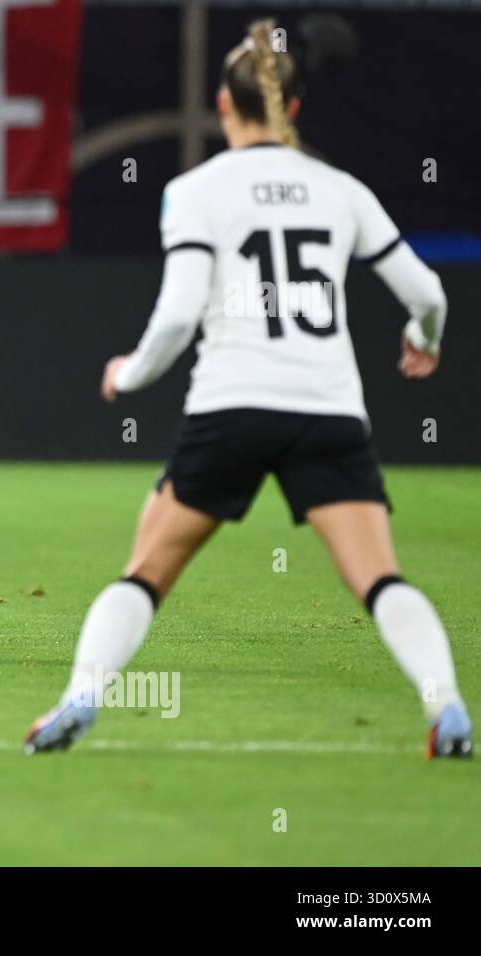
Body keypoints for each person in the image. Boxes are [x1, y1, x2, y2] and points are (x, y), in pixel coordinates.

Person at [25, 20, 471, 758]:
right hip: (327, 410)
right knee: (381, 579)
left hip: (230, 407)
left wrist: (129, 373)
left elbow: (176, 317)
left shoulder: (196, 191)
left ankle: (81, 696)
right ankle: (447, 705)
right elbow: (426, 291)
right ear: (294, 109)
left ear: (222, 105)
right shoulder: (341, 191)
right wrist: (424, 337)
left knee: (145, 574)